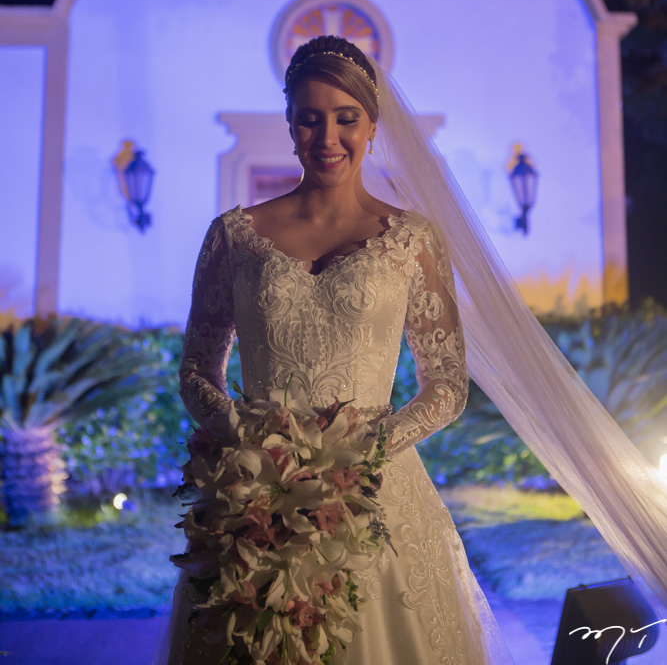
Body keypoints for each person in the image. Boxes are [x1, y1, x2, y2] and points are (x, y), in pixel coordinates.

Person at [156, 35, 667, 665]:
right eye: (309, 119)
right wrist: (252, 448)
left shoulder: (412, 239)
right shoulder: (234, 236)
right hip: (255, 507)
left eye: (347, 119)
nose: (328, 137)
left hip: (374, 491)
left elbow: (447, 384)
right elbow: (197, 370)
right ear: (289, 125)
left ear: (373, 126)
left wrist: (355, 455)